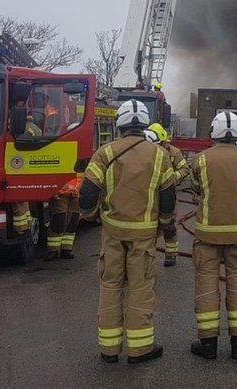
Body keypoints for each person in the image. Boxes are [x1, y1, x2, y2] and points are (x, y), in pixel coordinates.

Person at [79, 100, 176, 364]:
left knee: (110, 285)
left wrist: (91, 216)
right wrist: (164, 221)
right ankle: (140, 349)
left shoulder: (105, 152)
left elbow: (87, 191)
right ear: (144, 123)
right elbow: (168, 196)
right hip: (144, 234)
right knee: (140, 287)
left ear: (120, 124)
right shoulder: (159, 155)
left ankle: (109, 349)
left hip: (112, 232)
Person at [188, 111, 237, 360]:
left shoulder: (200, 160)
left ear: (214, 132)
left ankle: (208, 345)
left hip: (207, 235)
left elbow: (196, 188)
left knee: (207, 286)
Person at [148, 122, 190, 267]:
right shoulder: (146, 150)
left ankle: (171, 255)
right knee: (149, 226)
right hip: (150, 194)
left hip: (168, 192)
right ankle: (147, 254)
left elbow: (185, 168)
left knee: (169, 225)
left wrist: (173, 177)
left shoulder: (174, 152)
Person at [45, 174, 82, 261]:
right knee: (59, 220)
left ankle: (66, 249)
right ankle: (53, 251)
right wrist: (52, 190)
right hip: (60, 192)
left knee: (73, 220)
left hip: (77, 193)